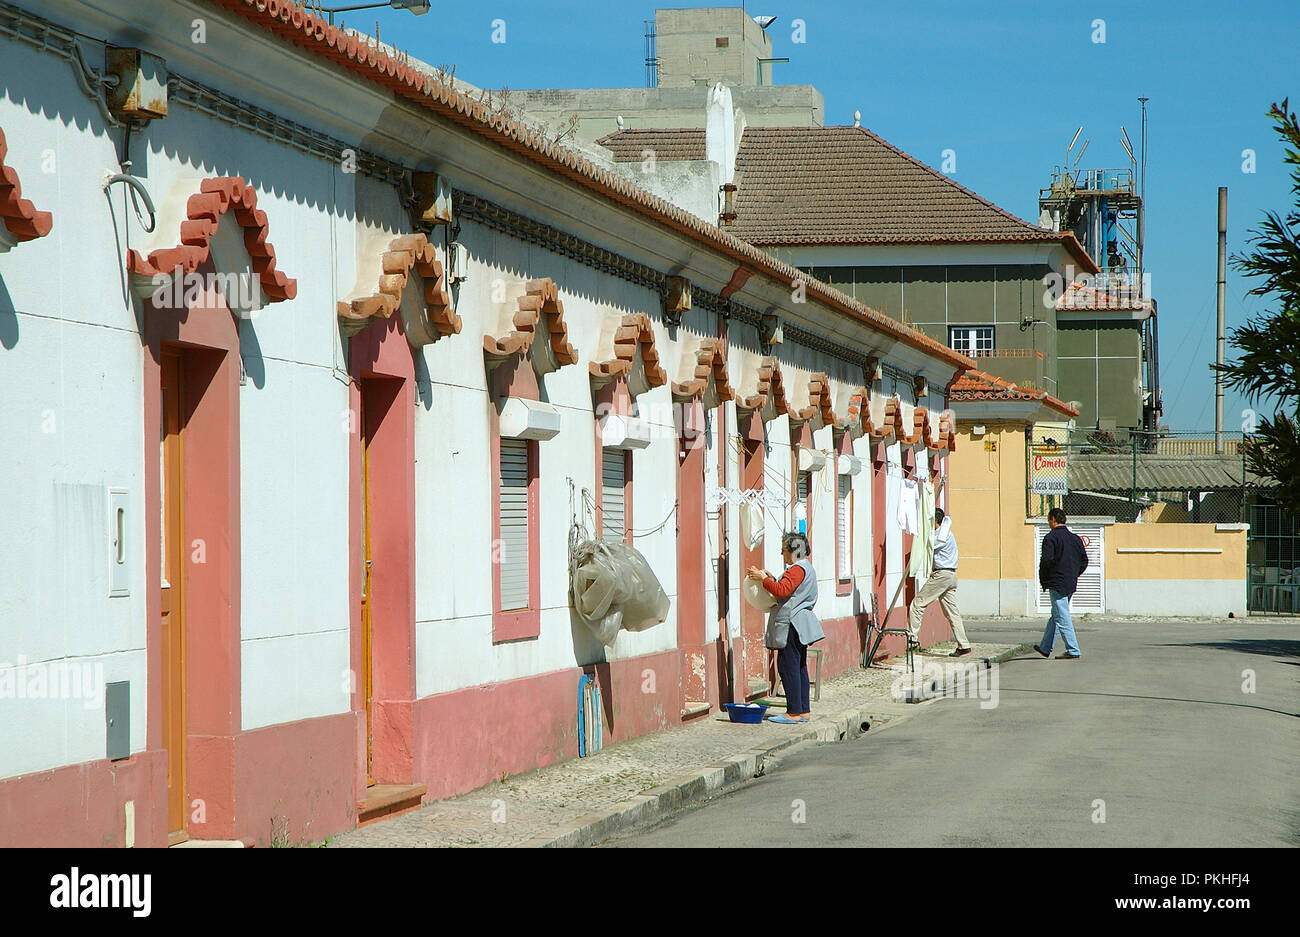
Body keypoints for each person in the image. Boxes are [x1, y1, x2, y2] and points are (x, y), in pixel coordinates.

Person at [747, 532, 825, 724]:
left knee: (788, 666)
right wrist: (772, 577)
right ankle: (803, 710)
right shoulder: (806, 568)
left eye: (784, 549)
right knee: (799, 667)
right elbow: (787, 587)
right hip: (801, 624)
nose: (782, 553)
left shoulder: (797, 570)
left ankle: (793, 712)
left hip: (792, 624)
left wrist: (763, 580)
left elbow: (782, 590)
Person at [907, 508, 971, 656]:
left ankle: (912, 639)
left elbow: (927, 547)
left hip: (941, 575)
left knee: (917, 604)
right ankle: (964, 644)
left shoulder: (941, 535)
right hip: (950, 575)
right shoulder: (947, 532)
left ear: (935, 521)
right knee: (952, 612)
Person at [1034, 508, 1089, 660]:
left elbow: (1046, 561)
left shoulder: (1051, 538)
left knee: (1062, 616)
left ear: (1053, 519)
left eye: (1049, 520)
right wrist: (1074, 574)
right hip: (1070, 582)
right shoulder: (1075, 538)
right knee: (1056, 615)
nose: (1048, 523)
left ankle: (1073, 650)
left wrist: (1044, 579)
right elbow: (1084, 561)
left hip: (1056, 582)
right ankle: (1045, 647)